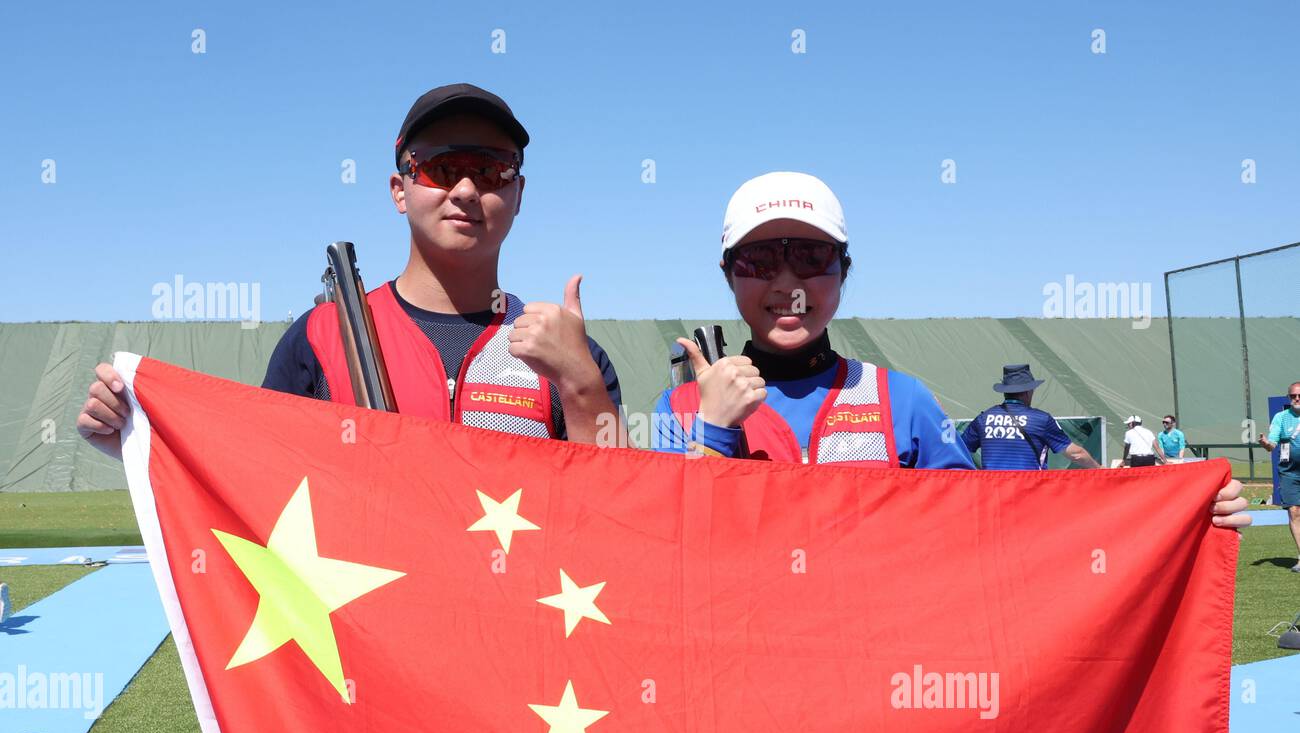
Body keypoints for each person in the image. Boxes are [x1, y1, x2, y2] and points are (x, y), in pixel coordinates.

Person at [77, 83, 624, 455]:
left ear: (519, 192)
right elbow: (260, 483)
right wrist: (135, 439)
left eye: (490, 170)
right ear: (399, 192)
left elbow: (622, 520)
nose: (464, 190)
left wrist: (580, 386)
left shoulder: (571, 352)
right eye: (439, 169)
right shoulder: (320, 338)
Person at [653, 172, 973, 469]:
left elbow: (970, 521)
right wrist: (712, 430)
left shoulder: (902, 400)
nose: (787, 285)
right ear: (728, 275)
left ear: (843, 271)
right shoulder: (680, 408)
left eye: (812, 257)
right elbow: (670, 525)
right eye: (759, 260)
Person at [961, 365, 1101, 470]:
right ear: (1028, 391)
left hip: (994, 495)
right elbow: (1076, 454)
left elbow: (960, 449)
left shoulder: (983, 419)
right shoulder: (1041, 420)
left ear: (1005, 392)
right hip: (1028, 493)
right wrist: (1100, 470)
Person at [1257, 381, 1300, 571]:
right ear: (1288, 397)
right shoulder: (1281, 418)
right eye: (1293, 396)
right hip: (1289, 472)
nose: (1297, 399)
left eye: (1299, 396)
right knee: (1294, 511)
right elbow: (1272, 444)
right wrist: (1266, 443)